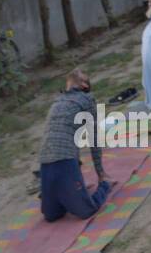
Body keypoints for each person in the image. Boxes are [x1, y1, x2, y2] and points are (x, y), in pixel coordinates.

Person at [38, 68, 111, 223]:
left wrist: (100, 174)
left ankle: (97, 188)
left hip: (57, 161)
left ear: (84, 85)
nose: (79, 72)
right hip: (52, 161)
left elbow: (93, 139)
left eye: (85, 75)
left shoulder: (78, 100)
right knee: (54, 215)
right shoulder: (69, 100)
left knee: (76, 211)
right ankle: (92, 187)